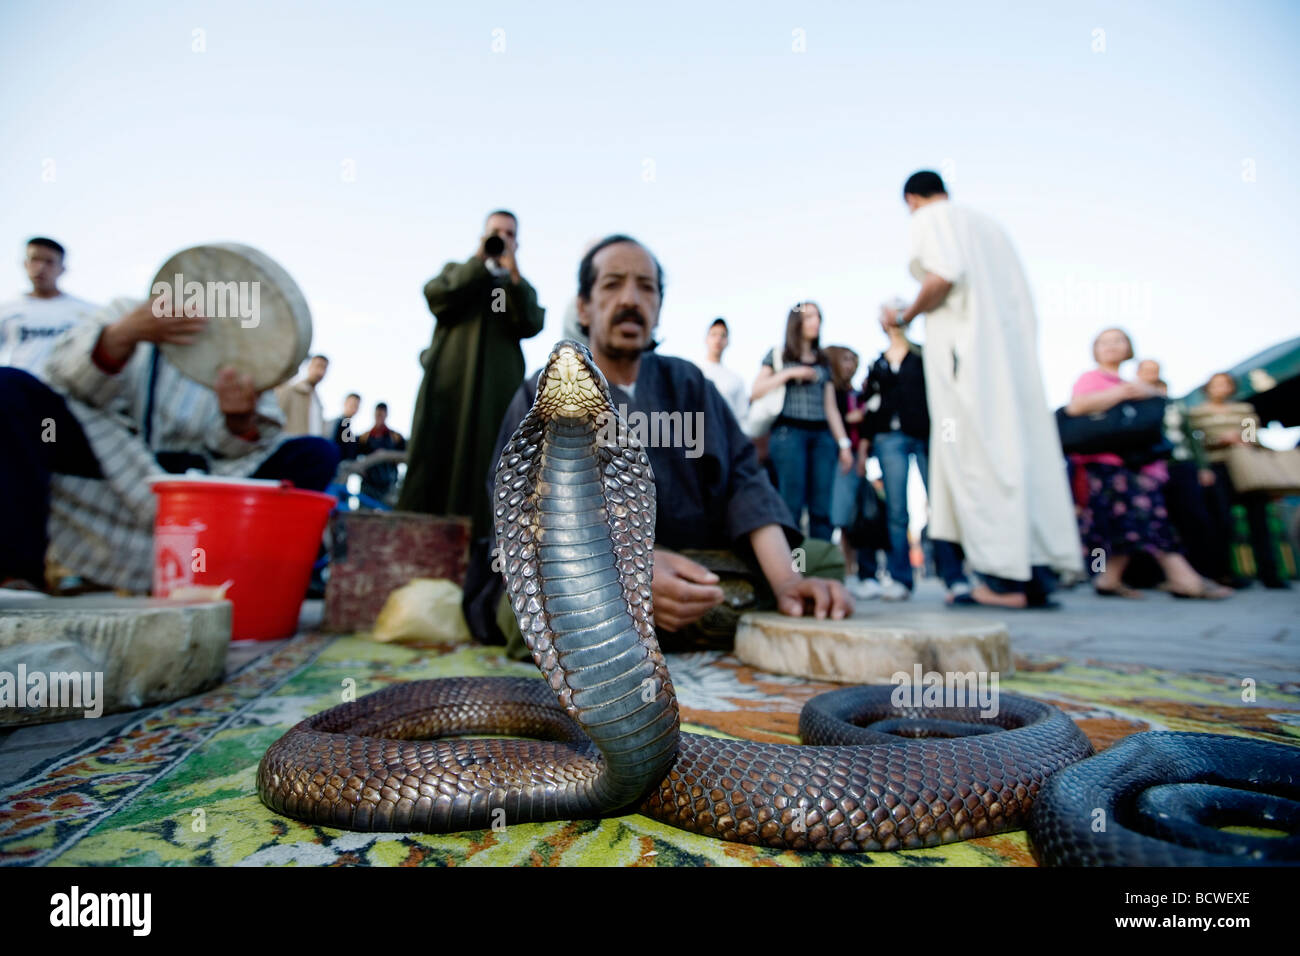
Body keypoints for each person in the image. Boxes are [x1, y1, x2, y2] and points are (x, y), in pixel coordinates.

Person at [464, 235, 851, 656]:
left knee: (821, 559)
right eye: (612, 284)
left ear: (659, 305)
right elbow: (525, 521)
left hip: (694, 557)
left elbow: (745, 481)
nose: (631, 299)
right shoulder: (544, 391)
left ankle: (666, 620)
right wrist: (625, 574)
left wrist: (788, 582)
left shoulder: (689, 384)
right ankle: (688, 615)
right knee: (525, 611)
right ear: (583, 306)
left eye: (646, 287)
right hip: (582, 575)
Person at [0, 295, 338, 593]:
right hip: (111, 462)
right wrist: (121, 337)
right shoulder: (125, 311)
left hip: (203, 486)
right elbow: (70, 381)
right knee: (11, 391)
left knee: (315, 454)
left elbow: (246, 445)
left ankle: (246, 574)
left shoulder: (245, 350)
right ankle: (15, 572)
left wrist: (239, 423)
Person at [883, 170, 1083, 608]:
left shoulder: (930, 219)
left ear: (913, 199)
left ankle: (1004, 579)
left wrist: (905, 316)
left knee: (978, 460)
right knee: (1020, 455)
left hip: (967, 359)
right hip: (1009, 361)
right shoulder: (990, 226)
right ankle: (1037, 574)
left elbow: (942, 276)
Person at [399, 210, 545, 538]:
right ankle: (419, 541)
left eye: (508, 233)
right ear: (482, 236)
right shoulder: (459, 271)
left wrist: (512, 276)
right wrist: (479, 263)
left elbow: (532, 322)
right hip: (449, 386)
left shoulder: (515, 284)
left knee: (492, 459)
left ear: (517, 243)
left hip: (496, 392)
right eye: (495, 231)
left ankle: (484, 546)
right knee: (435, 457)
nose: (501, 238)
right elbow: (437, 296)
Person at [1066, 328, 1229, 599]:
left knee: (1133, 522)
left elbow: (1188, 434)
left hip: (1145, 465)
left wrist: (1208, 461)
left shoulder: (1241, 412)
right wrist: (1125, 393)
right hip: (1105, 463)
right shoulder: (1095, 380)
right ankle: (1180, 578)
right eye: (1104, 342)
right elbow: (1075, 408)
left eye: (1118, 341)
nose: (1111, 347)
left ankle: (1109, 578)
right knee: (1125, 522)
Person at [858, 314, 971, 602]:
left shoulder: (924, 356)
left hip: (925, 434)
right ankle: (900, 579)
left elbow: (945, 396)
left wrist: (950, 436)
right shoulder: (877, 363)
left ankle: (954, 576)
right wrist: (863, 446)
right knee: (897, 511)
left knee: (940, 504)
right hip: (888, 439)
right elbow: (870, 407)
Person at [750, 302, 853, 543]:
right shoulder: (778, 355)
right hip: (788, 434)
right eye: (808, 317)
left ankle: (820, 568)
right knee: (791, 505)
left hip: (822, 438)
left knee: (822, 508)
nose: (815, 322)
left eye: (817, 316)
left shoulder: (824, 360)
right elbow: (756, 390)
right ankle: (794, 570)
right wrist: (789, 373)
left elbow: (832, 409)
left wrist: (844, 445)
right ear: (797, 323)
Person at [1189, 372, 1290, 589]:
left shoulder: (1244, 410)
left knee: (1259, 520)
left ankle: (1270, 574)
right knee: (1222, 520)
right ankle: (1225, 573)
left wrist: (1242, 438)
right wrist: (1220, 439)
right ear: (1207, 388)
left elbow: (1253, 434)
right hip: (1217, 468)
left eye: (1225, 384)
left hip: (1247, 467)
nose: (1221, 388)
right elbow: (1194, 441)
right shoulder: (1197, 413)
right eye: (1216, 384)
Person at [0, 237, 99, 380]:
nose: (40, 267)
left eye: (49, 262)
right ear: (25, 264)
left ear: (62, 269)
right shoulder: (6, 311)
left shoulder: (89, 312)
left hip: (69, 395)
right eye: (35, 260)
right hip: (21, 394)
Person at [698, 317, 749, 423]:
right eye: (714, 334)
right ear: (706, 339)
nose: (718, 339)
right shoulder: (695, 372)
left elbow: (742, 419)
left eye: (723, 335)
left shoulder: (736, 380)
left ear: (727, 341)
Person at [358, 402, 407, 502]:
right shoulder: (364, 437)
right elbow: (357, 457)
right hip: (368, 484)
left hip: (389, 484)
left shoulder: (396, 437)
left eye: (382, 414)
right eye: (378, 414)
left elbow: (403, 456)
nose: (379, 417)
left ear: (386, 415)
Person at [275, 354, 328, 436]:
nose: (321, 372)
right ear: (308, 367)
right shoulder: (289, 390)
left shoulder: (318, 403)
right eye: (318, 366)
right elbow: (274, 420)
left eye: (324, 368)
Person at [330, 392, 362, 461]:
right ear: (345, 404)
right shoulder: (340, 423)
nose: (354, 408)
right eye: (352, 405)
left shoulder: (346, 425)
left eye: (356, 406)